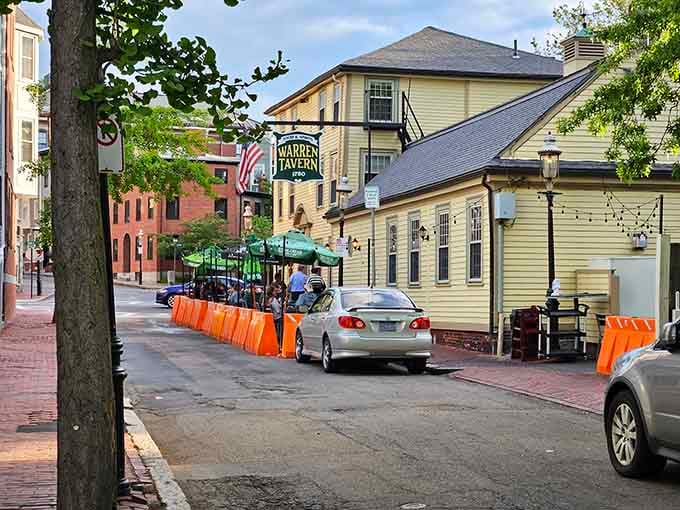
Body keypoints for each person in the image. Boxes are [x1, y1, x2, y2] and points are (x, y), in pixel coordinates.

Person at [267, 284, 283, 352]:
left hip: (273, 318)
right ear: (272, 292)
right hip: (277, 318)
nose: (276, 292)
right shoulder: (273, 300)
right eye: (275, 291)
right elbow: (278, 311)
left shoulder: (269, 299)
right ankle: (279, 345)